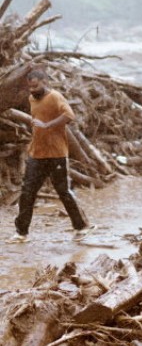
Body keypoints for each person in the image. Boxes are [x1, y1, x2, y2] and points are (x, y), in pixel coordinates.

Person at [10, 68, 94, 243]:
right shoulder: (32, 99)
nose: (32, 90)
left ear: (44, 82)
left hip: (56, 153)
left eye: (35, 86)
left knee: (63, 191)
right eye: (30, 87)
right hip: (37, 153)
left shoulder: (55, 97)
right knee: (27, 192)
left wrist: (48, 125)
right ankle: (21, 233)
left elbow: (69, 115)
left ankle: (81, 227)